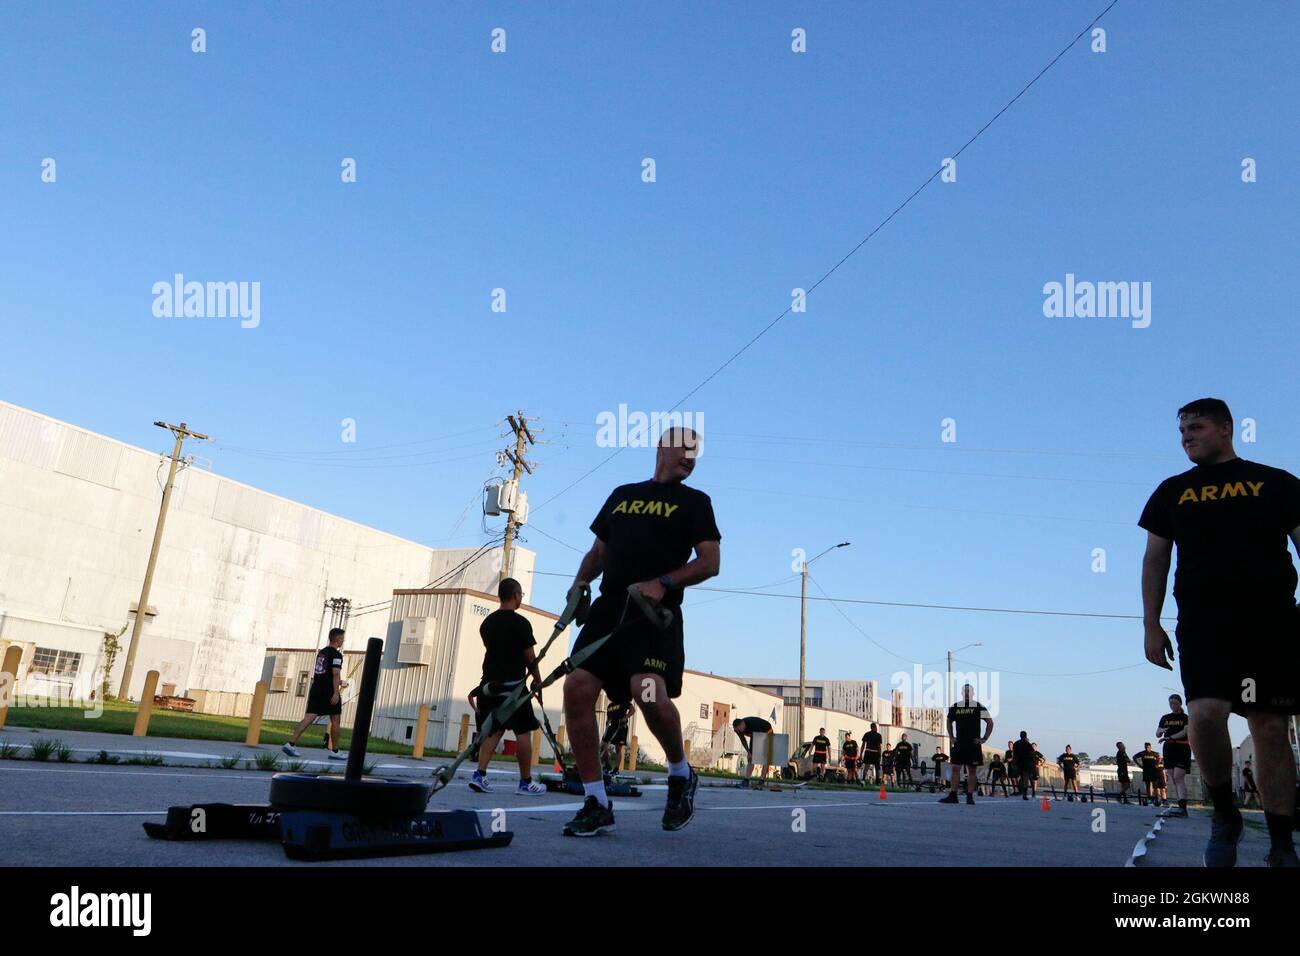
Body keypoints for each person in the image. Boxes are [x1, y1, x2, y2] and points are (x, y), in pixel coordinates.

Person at [1139, 397, 1300, 866]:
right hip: (1205, 623)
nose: (1187, 435)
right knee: (1206, 715)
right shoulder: (1173, 491)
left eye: (1196, 426)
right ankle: (1225, 815)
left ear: (1227, 428)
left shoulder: (1275, 483)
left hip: (1271, 622)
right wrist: (1151, 624)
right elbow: (1155, 559)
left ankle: (1281, 843)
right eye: (1182, 430)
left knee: (1269, 726)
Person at [561, 427, 722, 836]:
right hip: (609, 608)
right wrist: (580, 583)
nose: (691, 458)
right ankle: (595, 800)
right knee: (576, 687)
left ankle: (680, 772)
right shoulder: (622, 495)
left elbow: (709, 562)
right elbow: (599, 551)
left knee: (646, 689)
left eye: (696, 453)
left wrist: (663, 583)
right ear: (661, 448)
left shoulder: (695, 502)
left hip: (653, 613)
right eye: (684, 449)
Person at [465, 578, 546, 796]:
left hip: (489, 686)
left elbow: (494, 651)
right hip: (514, 688)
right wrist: (537, 681)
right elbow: (530, 657)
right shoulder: (521, 623)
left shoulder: (487, 623)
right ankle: (526, 782)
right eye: (521, 596)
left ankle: (480, 775)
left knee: (494, 728)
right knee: (523, 732)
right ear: (516, 595)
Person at [283, 628, 349, 760]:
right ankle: (335, 751)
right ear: (338, 639)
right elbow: (335, 673)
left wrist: (340, 682)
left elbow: (325, 673)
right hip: (328, 691)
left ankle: (290, 744)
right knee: (335, 720)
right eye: (342, 639)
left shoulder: (322, 653)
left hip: (316, 688)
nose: (342, 641)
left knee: (309, 717)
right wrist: (336, 692)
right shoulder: (336, 655)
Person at [940, 685, 993, 805]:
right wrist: (952, 737)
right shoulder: (956, 706)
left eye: (969, 691)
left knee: (972, 770)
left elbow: (990, 722)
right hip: (960, 743)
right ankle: (953, 795)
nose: (967, 693)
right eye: (965, 691)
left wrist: (984, 738)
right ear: (962, 693)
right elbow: (949, 721)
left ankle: (969, 796)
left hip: (973, 744)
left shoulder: (978, 706)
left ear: (973, 693)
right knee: (955, 768)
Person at [1157, 694, 1192, 817]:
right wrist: (1161, 731)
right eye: (1171, 703)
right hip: (1168, 749)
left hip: (1182, 748)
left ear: (1180, 703)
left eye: (1175, 703)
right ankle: (1180, 804)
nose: (1173, 705)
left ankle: (1183, 808)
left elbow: (1185, 731)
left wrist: (1170, 737)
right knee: (1173, 777)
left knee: (1178, 777)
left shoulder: (1185, 717)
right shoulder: (1165, 717)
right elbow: (1157, 733)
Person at [732, 715, 774, 783]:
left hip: (767, 731)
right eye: (737, 730)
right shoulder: (737, 729)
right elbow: (743, 740)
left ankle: (762, 779)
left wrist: (750, 753)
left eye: (739, 730)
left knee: (766, 758)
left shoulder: (752, 726)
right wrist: (748, 752)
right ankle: (746, 780)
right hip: (755, 735)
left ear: (742, 724)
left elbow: (754, 741)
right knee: (751, 758)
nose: (739, 731)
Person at [601, 701, 634, 774]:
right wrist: (607, 724)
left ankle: (616, 769)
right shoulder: (610, 706)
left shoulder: (624, 702)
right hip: (611, 727)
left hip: (621, 727)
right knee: (604, 746)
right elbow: (608, 718)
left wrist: (625, 717)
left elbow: (632, 710)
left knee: (618, 748)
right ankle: (607, 766)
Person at [1012, 732, 1035, 800]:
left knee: (1021, 778)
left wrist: (1014, 763)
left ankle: (1022, 792)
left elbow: (1014, 754)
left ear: (1020, 736)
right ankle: (1026, 793)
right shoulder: (1027, 744)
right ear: (1026, 736)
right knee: (1026, 779)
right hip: (1026, 764)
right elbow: (1032, 754)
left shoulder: (1016, 743)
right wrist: (1032, 764)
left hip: (1019, 764)